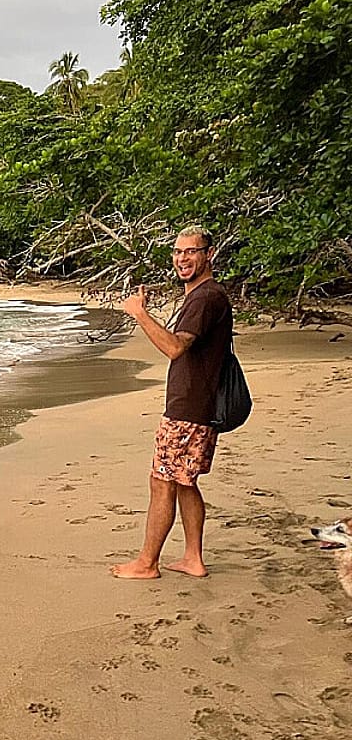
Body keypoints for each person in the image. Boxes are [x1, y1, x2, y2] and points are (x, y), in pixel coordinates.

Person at [110, 226, 233, 579]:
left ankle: (147, 563)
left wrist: (139, 313)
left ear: (208, 254)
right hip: (198, 406)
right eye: (178, 252)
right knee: (183, 480)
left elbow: (174, 348)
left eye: (191, 252)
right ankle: (193, 558)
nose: (182, 259)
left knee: (162, 481)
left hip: (190, 409)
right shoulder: (203, 296)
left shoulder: (205, 298)